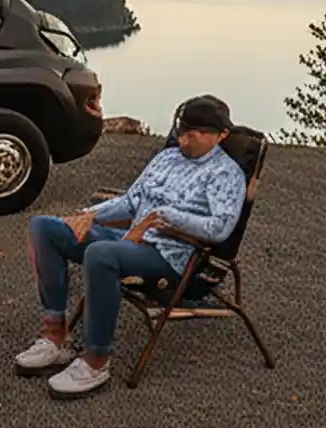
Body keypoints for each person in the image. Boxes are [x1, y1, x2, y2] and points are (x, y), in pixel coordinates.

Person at [14, 95, 247, 399]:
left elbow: (220, 228)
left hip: (169, 254)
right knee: (45, 228)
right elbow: (130, 202)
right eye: (182, 131)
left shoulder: (226, 174)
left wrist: (163, 216)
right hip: (130, 239)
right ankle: (55, 337)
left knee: (101, 255)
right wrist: (88, 215)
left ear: (222, 134)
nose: (184, 140)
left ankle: (96, 360)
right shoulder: (168, 157)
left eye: (195, 134)